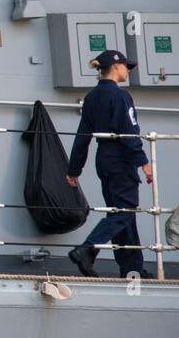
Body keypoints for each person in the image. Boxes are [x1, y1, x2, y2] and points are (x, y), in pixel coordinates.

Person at [65, 50, 152, 278]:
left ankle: (131, 267)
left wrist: (74, 169)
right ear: (115, 67)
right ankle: (87, 249)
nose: (127, 71)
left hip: (103, 158)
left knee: (121, 213)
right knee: (124, 210)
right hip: (121, 158)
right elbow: (128, 132)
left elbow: (83, 135)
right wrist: (143, 162)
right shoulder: (121, 97)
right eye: (126, 66)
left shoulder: (92, 97)